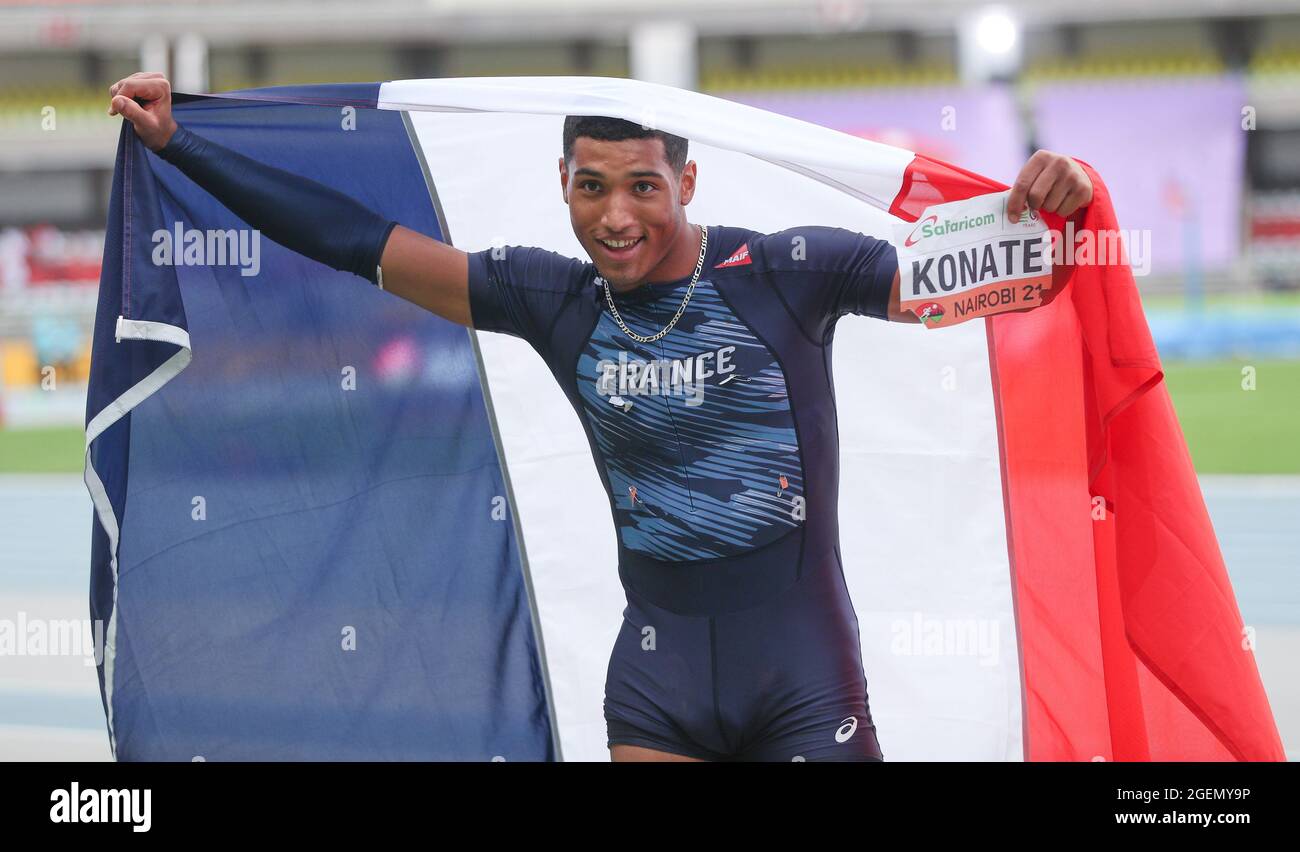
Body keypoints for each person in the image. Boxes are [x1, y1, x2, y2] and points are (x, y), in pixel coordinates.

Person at [109, 71, 1092, 762]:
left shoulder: (790, 270)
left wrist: (1068, 205)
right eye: (590, 187)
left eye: (641, 188)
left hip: (806, 687)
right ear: (564, 185)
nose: (615, 215)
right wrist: (183, 144)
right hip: (654, 696)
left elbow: (1004, 277)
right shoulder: (552, 301)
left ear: (687, 184)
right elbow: (355, 240)